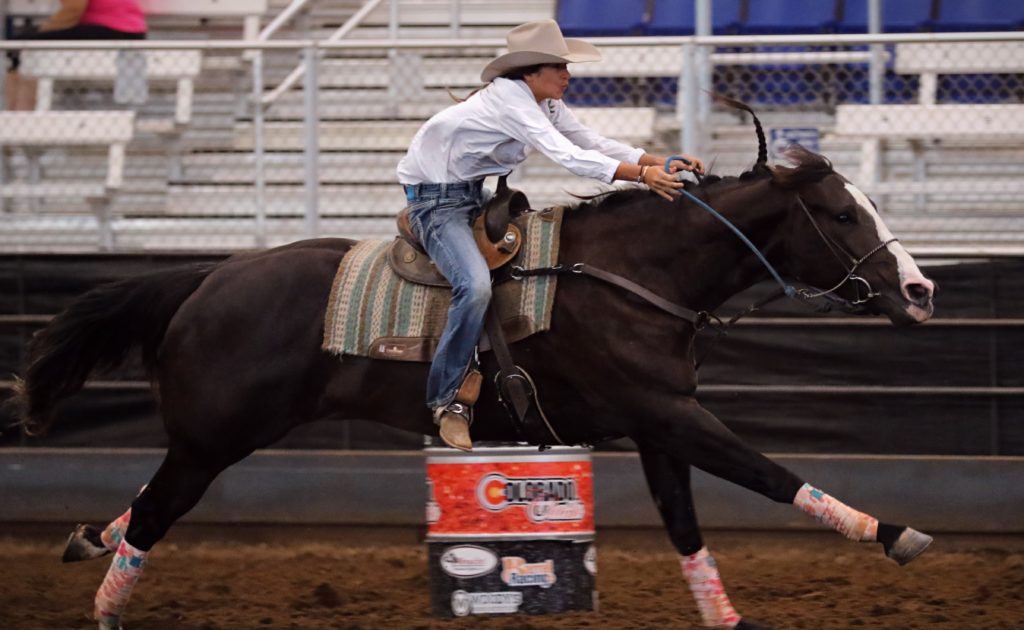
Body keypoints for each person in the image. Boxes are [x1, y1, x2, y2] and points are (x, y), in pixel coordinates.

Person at [397, 19, 705, 451]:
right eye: (558, 67)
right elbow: (566, 154)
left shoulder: (542, 102)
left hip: (470, 193)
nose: (567, 74)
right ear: (531, 72)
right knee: (475, 286)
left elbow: (589, 141)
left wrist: (654, 159)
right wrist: (640, 175)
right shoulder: (511, 101)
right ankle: (446, 399)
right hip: (437, 205)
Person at [6, 0, 147, 110]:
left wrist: (44, 29)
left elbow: (73, 10)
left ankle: (21, 110)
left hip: (113, 29)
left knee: (21, 43)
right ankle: (21, 108)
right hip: (131, 29)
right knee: (27, 41)